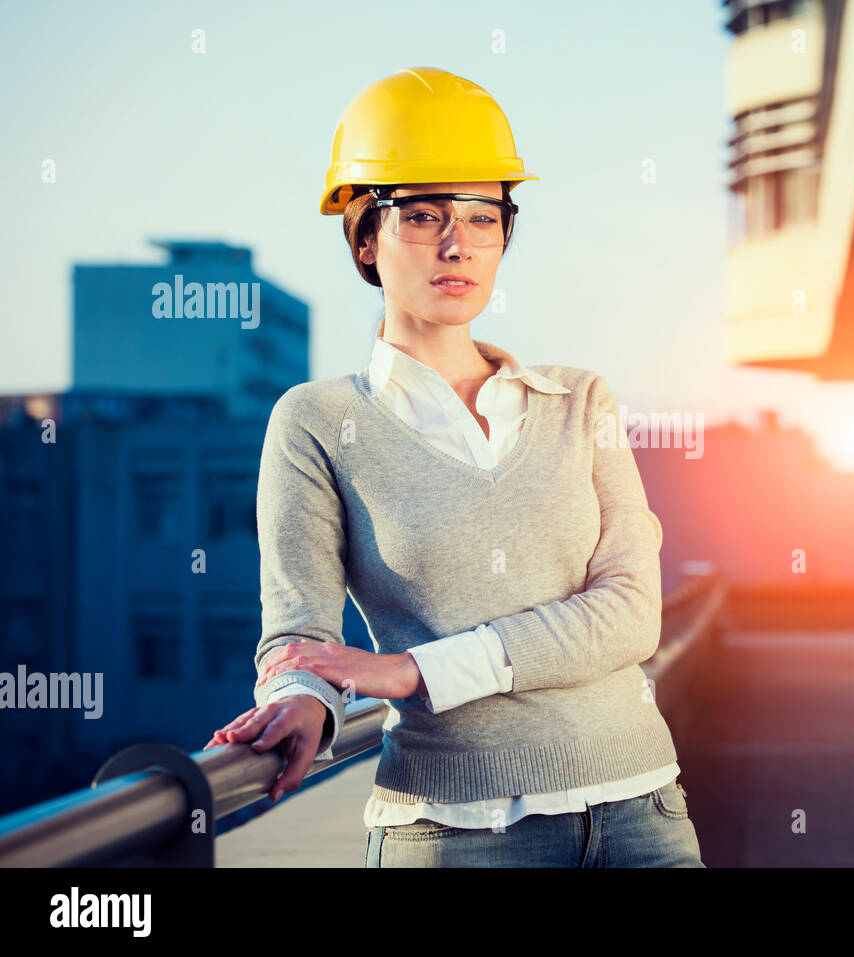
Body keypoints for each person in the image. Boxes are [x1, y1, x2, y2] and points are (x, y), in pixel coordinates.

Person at [202, 67, 704, 868]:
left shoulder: (580, 402)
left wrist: (411, 669)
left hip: (643, 815)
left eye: (483, 216)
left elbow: (631, 614)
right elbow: (300, 635)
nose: (457, 242)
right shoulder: (317, 421)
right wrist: (301, 700)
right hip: (453, 834)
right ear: (365, 236)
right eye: (423, 214)